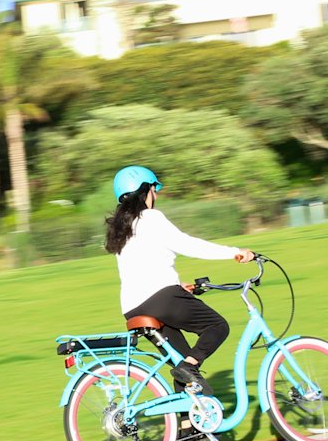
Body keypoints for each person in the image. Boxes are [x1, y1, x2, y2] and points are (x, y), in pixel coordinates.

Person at [105, 165, 256, 397]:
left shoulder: (122, 228)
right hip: (162, 300)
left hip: (133, 307)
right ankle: (189, 367)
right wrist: (235, 252)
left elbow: (141, 267)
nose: (156, 196)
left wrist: (176, 286)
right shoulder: (150, 218)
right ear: (146, 191)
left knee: (181, 363)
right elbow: (187, 245)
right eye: (154, 190)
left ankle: (187, 418)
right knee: (217, 327)